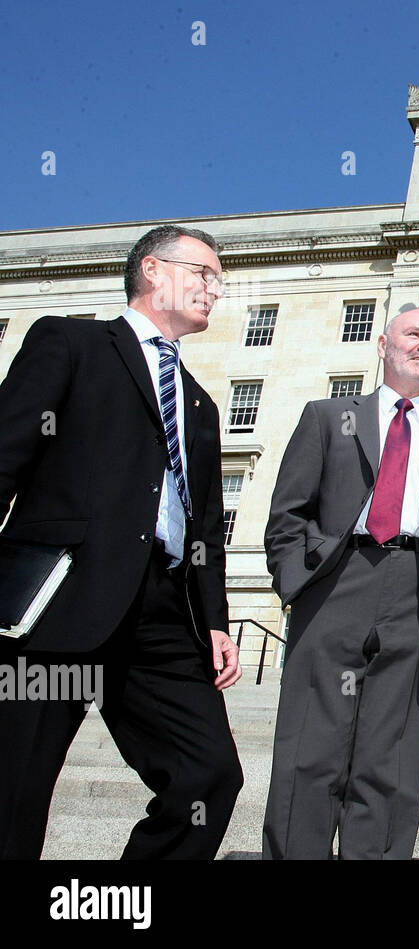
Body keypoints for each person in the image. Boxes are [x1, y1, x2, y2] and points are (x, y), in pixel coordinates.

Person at [0, 224, 243, 859]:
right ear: (153, 271)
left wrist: (214, 619)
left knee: (208, 775)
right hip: (60, 597)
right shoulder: (71, 341)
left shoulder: (199, 403)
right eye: (203, 274)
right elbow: (4, 457)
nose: (214, 290)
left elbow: (206, 523)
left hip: (160, 611)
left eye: (218, 279)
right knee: (14, 786)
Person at [262, 307, 419, 859]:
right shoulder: (328, 416)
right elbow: (288, 514)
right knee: (309, 749)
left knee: (393, 758)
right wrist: (295, 583)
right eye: (415, 334)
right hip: (336, 582)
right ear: (383, 345)